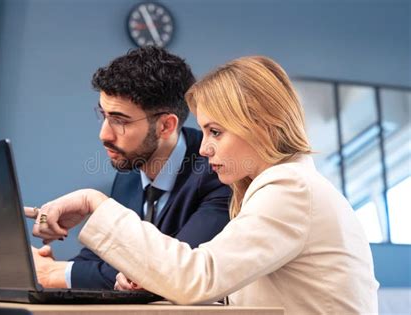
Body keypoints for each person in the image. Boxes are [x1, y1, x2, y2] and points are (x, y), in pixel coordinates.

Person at [31, 56, 379, 314]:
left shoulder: (290, 188)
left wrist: (95, 203)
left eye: (216, 132)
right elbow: (225, 285)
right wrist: (143, 275)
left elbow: (197, 276)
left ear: (262, 127)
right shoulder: (276, 186)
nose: (203, 146)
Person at [27, 46, 231, 289]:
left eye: (119, 121)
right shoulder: (131, 172)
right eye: (104, 115)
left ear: (165, 126)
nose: (104, 134)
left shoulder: (217, 173)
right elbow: (107, 254)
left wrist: (56, 274)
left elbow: (170, 272)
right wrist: (49, 267)